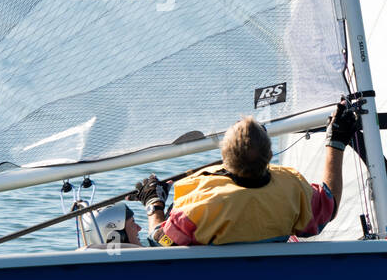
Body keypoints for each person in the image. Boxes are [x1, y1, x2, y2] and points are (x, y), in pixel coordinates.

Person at [133, 100, 359, 246]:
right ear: (269, 156)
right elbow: (329, 206)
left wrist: (154, 204)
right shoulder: (292, 189)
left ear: (225, 157)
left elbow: (162, 240)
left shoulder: (199, 206)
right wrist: (336, 142)